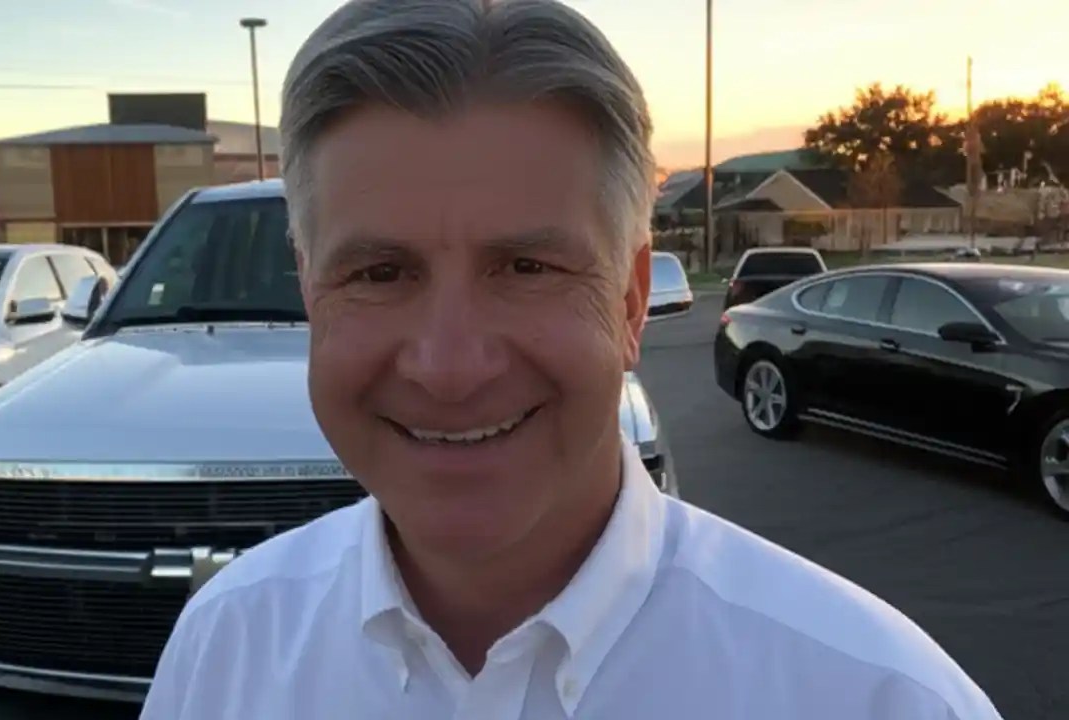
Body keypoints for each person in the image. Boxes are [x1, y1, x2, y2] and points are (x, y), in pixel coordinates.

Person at [141, 1, 1002, 718]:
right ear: (310, 293)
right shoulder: (224, 650)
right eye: (378, 273)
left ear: (631, 300)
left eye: (526, 268)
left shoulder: (874, 697)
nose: (450, 365)